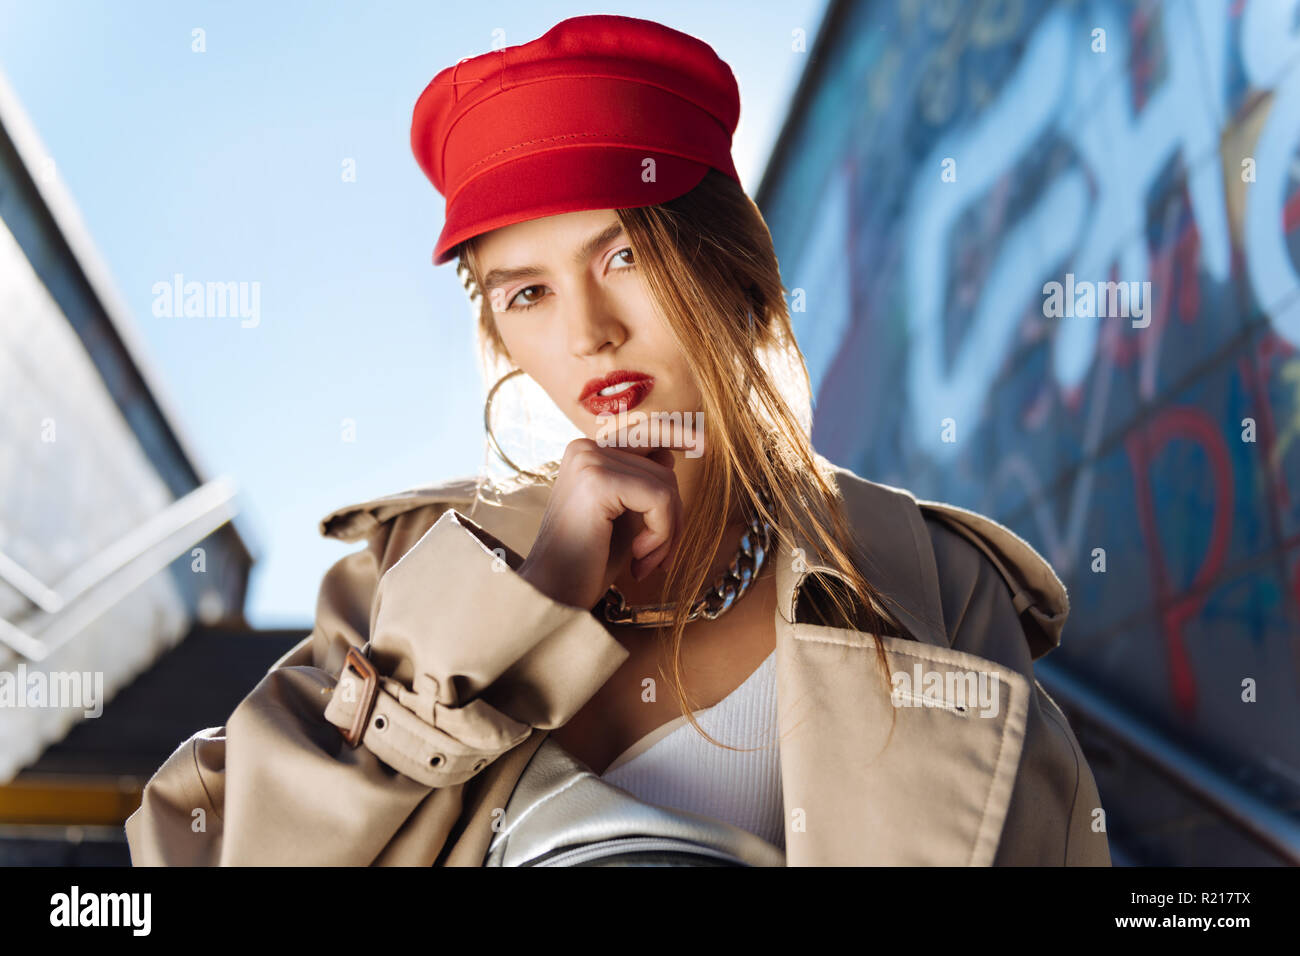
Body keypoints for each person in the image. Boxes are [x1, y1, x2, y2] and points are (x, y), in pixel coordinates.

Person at [125, 14, 1110, 866]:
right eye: (527, 292)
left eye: (624, 254)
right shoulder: (415, 571)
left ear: (728, 264)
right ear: (498, 330)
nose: (587, 330)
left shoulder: (932, 580)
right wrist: (523, 599)